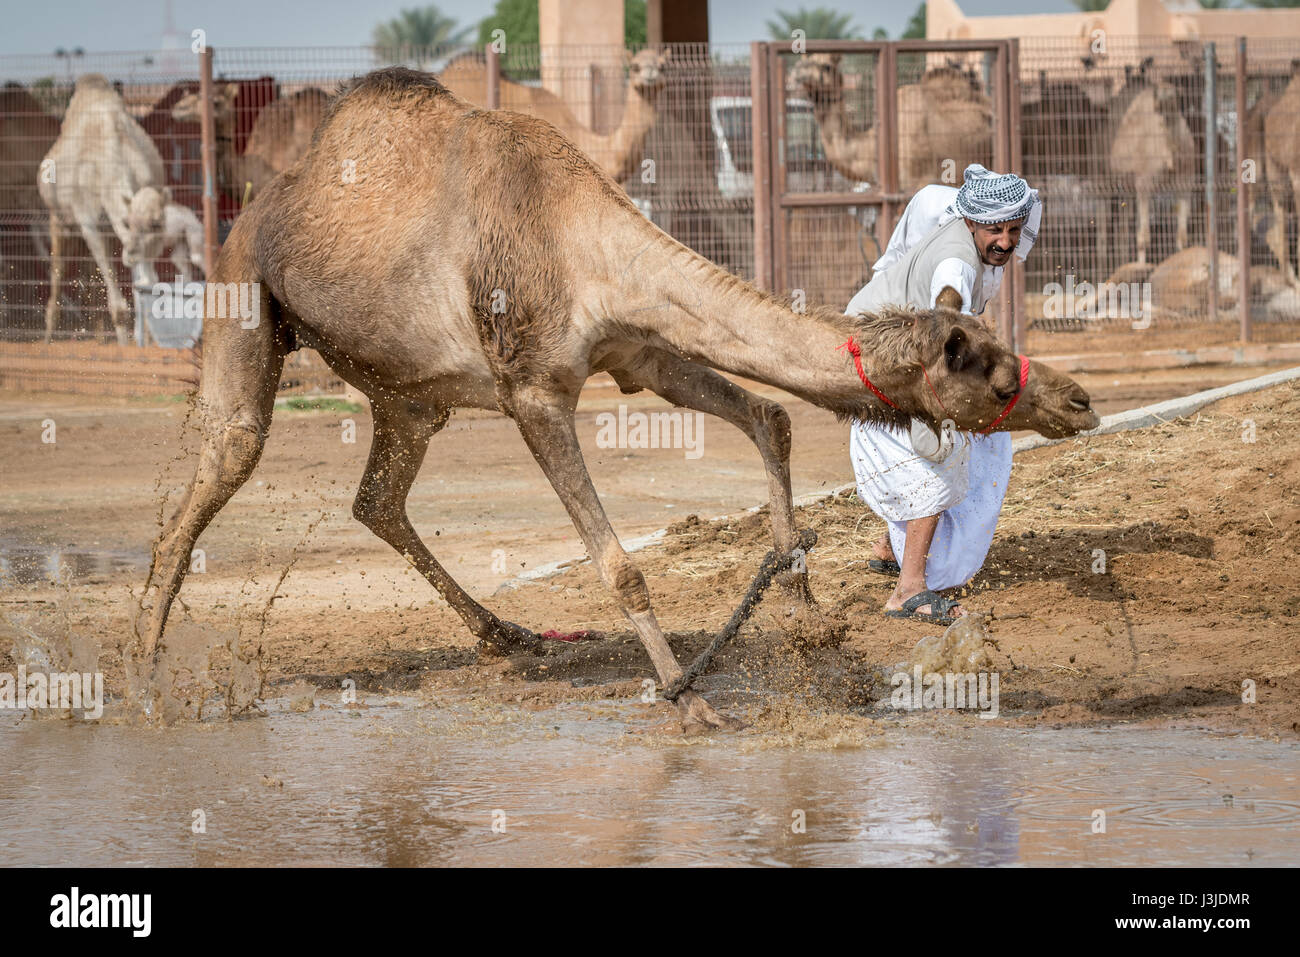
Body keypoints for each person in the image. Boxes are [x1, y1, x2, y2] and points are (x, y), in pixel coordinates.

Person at [847, 164, 1041, 624]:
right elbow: (947, 307)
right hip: (881, 355)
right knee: (942, 452)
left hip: (892, 341)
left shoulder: (946, 206)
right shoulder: (956, 263)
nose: (1007, 241)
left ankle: (888, 549)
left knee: (972, 441)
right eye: (995, 229)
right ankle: (909, 590)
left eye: (1015, 229)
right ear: (971, 220)